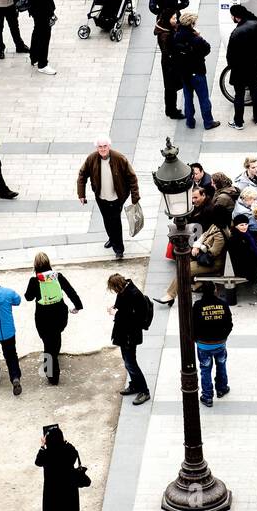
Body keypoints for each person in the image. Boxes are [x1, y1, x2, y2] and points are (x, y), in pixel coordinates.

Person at [77, 137, 140, 260]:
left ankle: (119, 249)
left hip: (117, 198)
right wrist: (81, 194)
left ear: (109, 146)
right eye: (100, 146)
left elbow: (132, 177)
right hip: (101, 197)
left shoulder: (119, 158)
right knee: (107, 219)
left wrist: (135, 197)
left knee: (115, 222)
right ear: (97, 148)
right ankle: (112, 238)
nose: (103, 149)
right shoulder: (91, 159)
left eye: (105, 146)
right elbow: (82, 175)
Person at [24, 253, 81, 386]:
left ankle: (52, 374)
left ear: (35, 265)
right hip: (59, 315)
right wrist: (78, 306)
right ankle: (53, 357)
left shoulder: (34, 281)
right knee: (55, 338)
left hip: (43, 317)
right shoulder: (57, 276)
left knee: (48, 344)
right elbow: (70, 291)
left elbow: (28, 297)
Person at [35, 425, 81, 511]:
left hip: (52, 490)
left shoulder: (46, 454)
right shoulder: (69, 451)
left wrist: (42, 446)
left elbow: (38, 461)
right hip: (69, 488)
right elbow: (74, 452)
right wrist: (64, 441)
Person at [107, 272, 151, 405]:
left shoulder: (134, 294)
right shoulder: (124, 290)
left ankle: (144, 390)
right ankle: (135, 385)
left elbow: (135, 318)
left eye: (114, 289)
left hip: (129, 335)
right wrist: (115, 308)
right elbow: (123, 307)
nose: (114, 291)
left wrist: (117, 313)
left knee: (131, 363)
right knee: (128, 361)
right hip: (123, 334)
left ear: (117, 286)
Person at [172, 11, 220, 130]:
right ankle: (208, 122)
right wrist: (199, 36)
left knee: (188, 97)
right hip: (197, 72)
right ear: (192, 24)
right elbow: (207, 49)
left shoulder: (176, 36)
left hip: (184, 73)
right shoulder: (195, 39)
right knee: (203, 98)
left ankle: (190, 121)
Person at [226, 3, 257, 129]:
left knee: (239, 95)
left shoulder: (235, 33)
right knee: (255, 92)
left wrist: (232, 66)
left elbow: (230, 56)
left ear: (236, 17)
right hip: (254, 67)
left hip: (239, 69)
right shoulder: (256, 25)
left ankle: (238, 122)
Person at [192, 280, 232, 407]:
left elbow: (192, 325)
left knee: (205, 370)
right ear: (215, 290)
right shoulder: (223, 304)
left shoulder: (197, 306)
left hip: (203, 344)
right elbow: (229, 324)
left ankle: (207, 396)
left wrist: (196, 338)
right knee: (221, 365)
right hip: (220, 343)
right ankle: (221, 388)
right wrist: (223, 336)